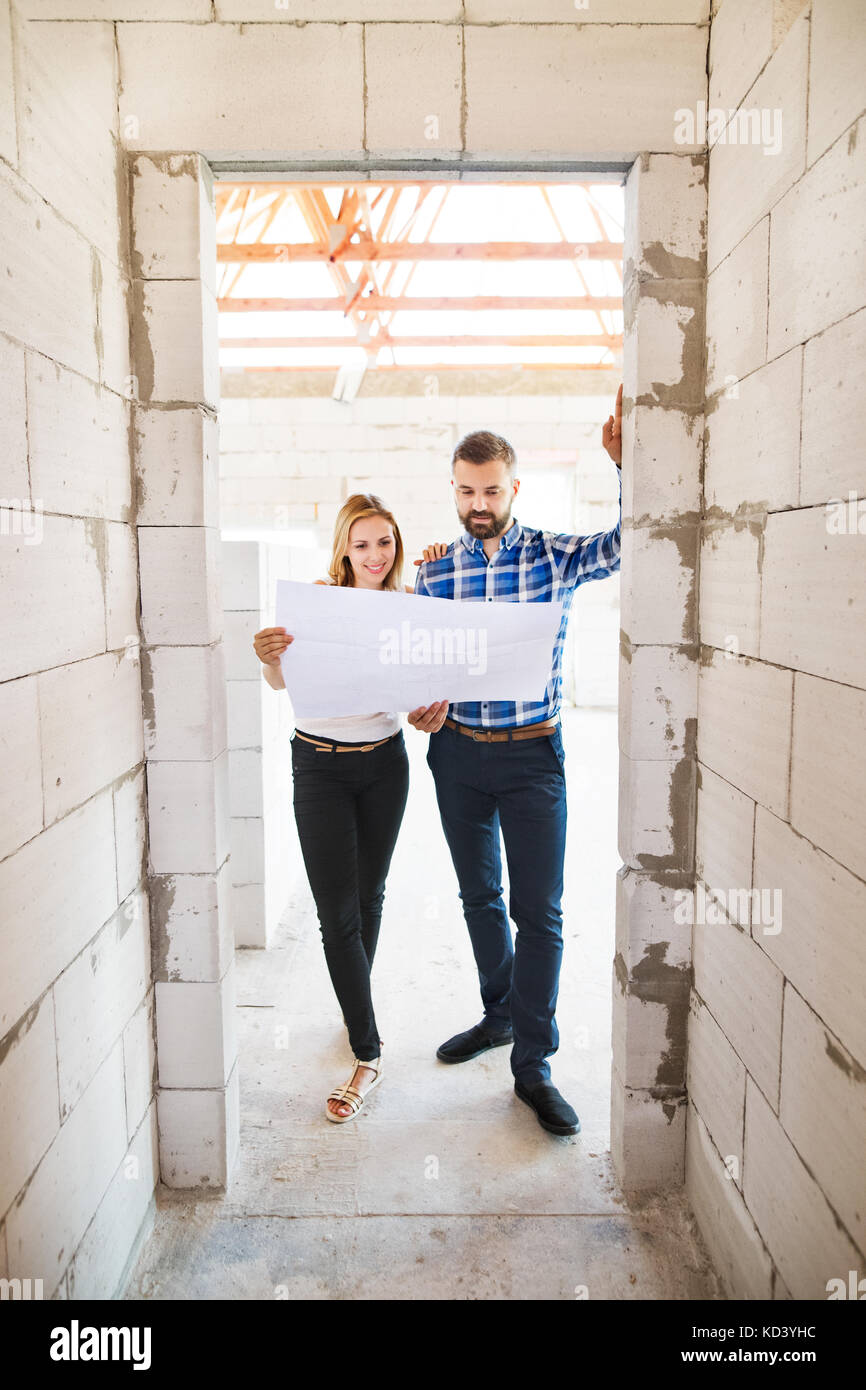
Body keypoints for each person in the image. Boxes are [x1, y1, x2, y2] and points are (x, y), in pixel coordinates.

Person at [412, 385, 624, 1137]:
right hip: (458, 755)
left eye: (492, 490)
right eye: (467, 491)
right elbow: (421, 666)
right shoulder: (434, 573)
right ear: (454, 490)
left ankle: (533, 1065)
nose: (479, 503)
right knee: (480, 898)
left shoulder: (555, 556)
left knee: (542, 914)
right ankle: (498, 1014)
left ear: (514, 489)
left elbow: (627, 542)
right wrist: (422, 706)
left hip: (535, 755)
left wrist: (630, 468)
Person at [253, 494, 447, 1123]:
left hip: (384, 763)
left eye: (384, 542)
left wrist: (428, 712)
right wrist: (270, 657)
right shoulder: (316, 603)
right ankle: (368, 1052)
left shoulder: (408, 605)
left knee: (370, 898)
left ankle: (353, 1004)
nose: (374, 555)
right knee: (336, 914)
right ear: (343, 547)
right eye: (361, 543)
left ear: (396, 544)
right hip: (319, 767)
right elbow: (283, 685)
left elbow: (421, 692)